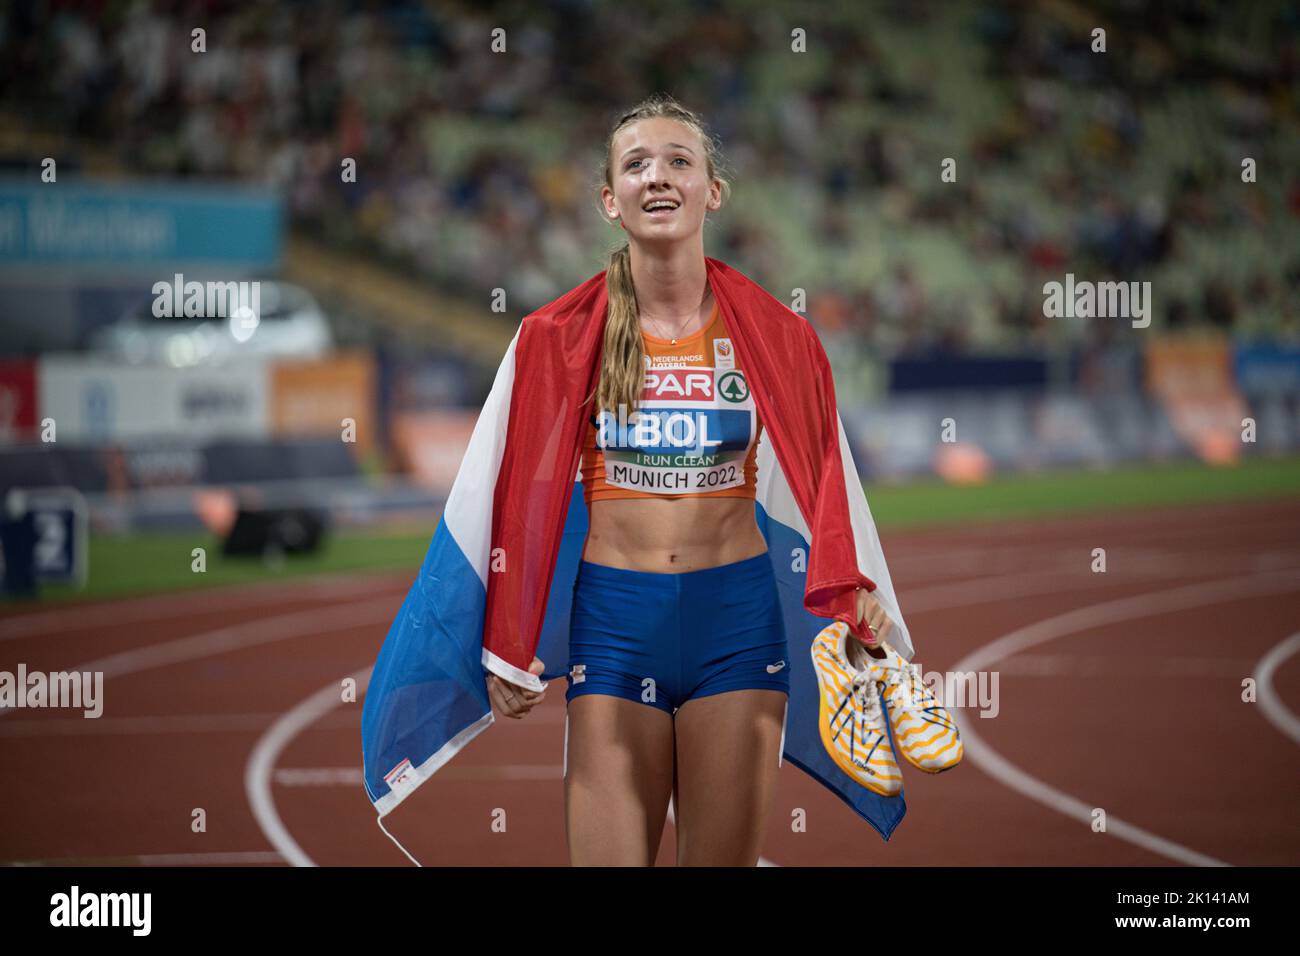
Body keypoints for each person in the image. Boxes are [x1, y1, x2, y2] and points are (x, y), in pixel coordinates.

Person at [485, 94, 898, 866]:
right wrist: (508, 638)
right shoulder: (561, 338)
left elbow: (824, 480)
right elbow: (516, 496)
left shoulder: (777, 335)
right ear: (611, 201)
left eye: (680, 160)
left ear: (714, 190)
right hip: (613, 630)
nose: (658, 176)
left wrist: (853, 590)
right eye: (636, 164)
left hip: (735, 629)